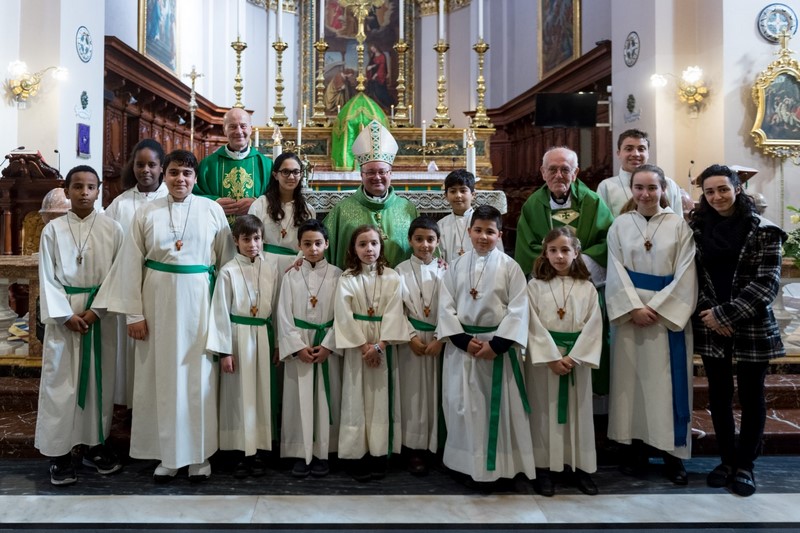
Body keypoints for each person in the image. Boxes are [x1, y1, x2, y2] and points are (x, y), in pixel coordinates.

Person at [104, 149, 235, 482]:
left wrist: (224, 315)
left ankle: (199, 455)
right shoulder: (147, 212)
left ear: (195, 178)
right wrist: (134, 314)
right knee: (159, 380)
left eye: (187, 174)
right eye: (175, 172)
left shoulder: (211, 210)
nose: (180, 179)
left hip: (199, 309)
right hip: (156, 307)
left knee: (198, 381)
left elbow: (227, 263)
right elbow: (131, 264)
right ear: (166, 175)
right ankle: (166, 454)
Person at [690, 164, 786, 497]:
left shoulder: (764, 230)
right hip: (711, 322)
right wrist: (711, 314)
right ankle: (726, 460)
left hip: (751, 325)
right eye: (709, 191)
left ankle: (746, 464)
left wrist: (727, 315)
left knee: (751, 395)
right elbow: (692, 276)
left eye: (723, 189)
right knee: (718, 395)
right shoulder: (697, 228)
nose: (716, 196)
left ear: (737, 189)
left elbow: (767, 284)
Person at [605, 164, 697, 485]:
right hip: (631, 320)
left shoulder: (679, 227)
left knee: (666, 388)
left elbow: (687, 274)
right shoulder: (619, 225)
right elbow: (613, 270)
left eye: (652, 188)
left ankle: (673, 456)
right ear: (632, 189)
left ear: (663, 189)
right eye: (639, 188)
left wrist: (655, 308)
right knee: (631, 388)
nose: (645, 194)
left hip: (665, 319)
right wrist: (632, 308)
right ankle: (636, 452)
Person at [35, 165, 124, 486]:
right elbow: (47, 275)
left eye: (90, 187)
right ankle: (58, 455)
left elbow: (118, 273)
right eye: (77, 186)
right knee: (60, 385)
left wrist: (97, 310)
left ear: (99, 190)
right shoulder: (53, 230)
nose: (84, 192)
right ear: (66, 189)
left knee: (98, 384)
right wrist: (64, 314)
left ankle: (94, 446)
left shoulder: (113, 229)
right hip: (65, 318)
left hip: (100, 317)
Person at [437, 205, 534, 486]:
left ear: (499, 234)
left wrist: (499, 345)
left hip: (497, 350)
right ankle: (465, 465)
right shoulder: (455, 266)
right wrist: (463, 341)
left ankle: (502, 466)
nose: (483, 236)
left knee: (500, 409)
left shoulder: (510, 266)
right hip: (464, 349)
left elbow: (519, 308)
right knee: (463, 408)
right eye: (477, 230)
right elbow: (446, 307)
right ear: (469, 232)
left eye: (490, 231)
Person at [525, 226, 602, 497]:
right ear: (544, 253)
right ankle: (543, 469)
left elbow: (594, 326)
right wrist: (551, 357)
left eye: (565, 250)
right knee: (543, 413)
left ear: (576, 252)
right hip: (545, 363)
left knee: (578, 415)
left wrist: (573, 356)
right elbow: (531, 324)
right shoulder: (534, 287)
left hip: (575, 362)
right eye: (553, 250)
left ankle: (580, 468)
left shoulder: (588, 288)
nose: (559, 256)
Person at [333, 224, 408, 482]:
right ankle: (357, 454)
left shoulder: (392, 276)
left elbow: (397, 311)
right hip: (358, 348)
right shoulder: (346, 278)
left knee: (381, 399)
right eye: (362, 244)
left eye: (374, 243)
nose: (369, 249)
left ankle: (379, 453)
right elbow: (343, 316)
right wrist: (364, 346)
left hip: (382, 346)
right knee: (355, 400)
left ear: (381, 246)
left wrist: (381, 345)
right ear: (353, 249)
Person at [207, 214, 278, 478]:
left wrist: (278, 343)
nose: (252, 244)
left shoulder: (270, 269)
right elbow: (220, 312)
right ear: (236, 241)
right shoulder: (228, 271)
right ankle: (237, 452)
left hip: (262, 334)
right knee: (237, 396)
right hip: (236, 337)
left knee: (260, 395)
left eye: (257, 238)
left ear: (263, 240)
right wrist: (224, 351)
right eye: (246, 239)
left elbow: (278, 307)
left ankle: (258, 451)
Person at [105, 139, 169, 408]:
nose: (145, 170)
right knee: (132, 350)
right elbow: (107, 243)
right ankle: (133, 404)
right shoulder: (120, 204)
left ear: (161, 168)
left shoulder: (173, 199)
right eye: (140, 164)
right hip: (130, 284)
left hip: (162, 286)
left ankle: (159, 401)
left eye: (152, 165)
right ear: (132, 167)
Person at [277, 219, 342, 478]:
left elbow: (344, 315)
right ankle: (299, 452)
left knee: (327, 399)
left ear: (327, 243)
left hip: (327, 343)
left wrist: (329, 345)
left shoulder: (338, 275)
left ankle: (323, 452)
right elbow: (282, 314)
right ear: (298, 246)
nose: (313, 248)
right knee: (297, 400)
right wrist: (297, 346)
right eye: (307, 244)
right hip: (300, 344)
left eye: (318, 243)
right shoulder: (291, 274)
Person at [324, 120, 418, 268]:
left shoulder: (407, 209)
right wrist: (303, 260)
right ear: (361, 175)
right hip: (354, 286)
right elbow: (320, 244)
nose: (377, 177)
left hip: (398, 287)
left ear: (391, 173)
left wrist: (436, 261)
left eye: (382, 172)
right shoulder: (342, 210)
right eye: (370, 172)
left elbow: (426, 245)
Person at [514, 146, 613, 282]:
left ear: (575, 173)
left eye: (565, 170)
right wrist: (553, 260)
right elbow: (526, 247)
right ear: (543, 172)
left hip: (583, 274)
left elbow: (607, 240)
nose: (558, 175)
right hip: (547, 277)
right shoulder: (533, 205)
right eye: (552, 169)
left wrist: (579, 260)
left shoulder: (592, 202)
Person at [395, 216, 446, 475]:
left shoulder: (445, 270)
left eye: (430, 239)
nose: (424, 245)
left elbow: (452, 308)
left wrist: (440, 337)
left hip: (438, 341)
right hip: (411, 343)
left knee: (437, 392)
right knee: (412, 395)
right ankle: (413, 447)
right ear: (410, 241)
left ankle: (437, 445)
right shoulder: (399, 271)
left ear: (438, 242)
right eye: (419, 239)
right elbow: (396, 310)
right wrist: (410, 336)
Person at [195, 107, 273, 221]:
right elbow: (194, 196)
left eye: (243, 126)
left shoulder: (266, 165)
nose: (238, 131)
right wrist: (214, 203)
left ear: (251, 129)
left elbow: (279, 196)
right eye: (232, 126)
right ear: (224, 130)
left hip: (255, 235)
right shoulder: (208, 164)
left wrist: (258, 202)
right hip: (218, 232)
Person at [248, 152, 315, 276]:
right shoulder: (261, 204)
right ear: (275, 175)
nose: (291, 176)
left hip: (295, 267)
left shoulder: (308, 210)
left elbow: (309, 241)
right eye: (285, 172)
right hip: (264, 265)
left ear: (301, 175)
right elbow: (252, 238)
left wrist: (299, 261)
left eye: (296, 172)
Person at [597, 129, 683, 217]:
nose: (636, 154)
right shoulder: (606, 187)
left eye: (641, 149)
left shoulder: (669, 184)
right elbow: (604, 226)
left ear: (648, 153)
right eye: (629, 149)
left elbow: (679, 223)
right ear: (619, 153)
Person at [438, 169, 503, 261]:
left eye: (463, 191)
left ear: (473, 195)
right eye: (453, 191)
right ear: (446, 196)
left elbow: (498, 256)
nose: (458, 195)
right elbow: (438, 259)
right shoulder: (441, 225)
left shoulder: (486, 222)